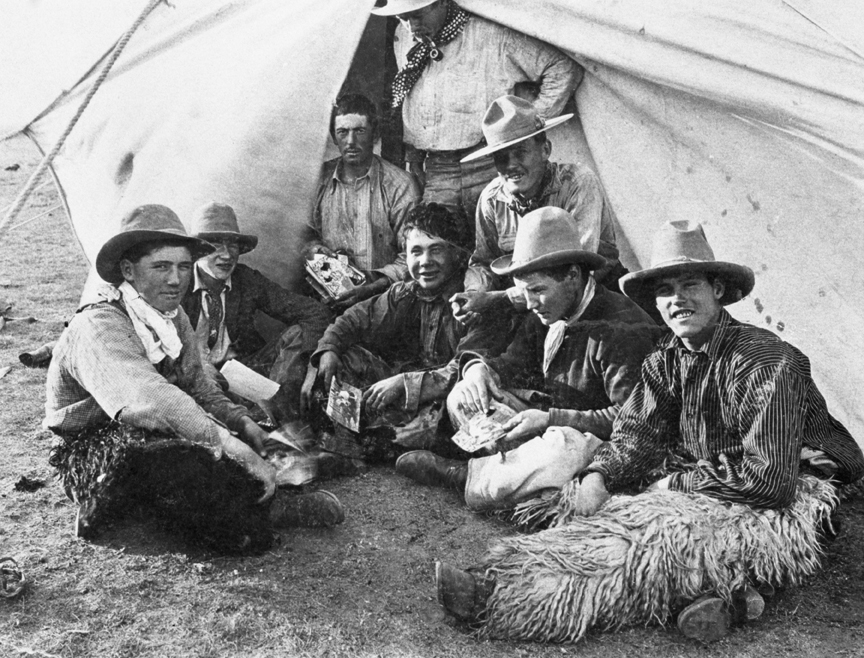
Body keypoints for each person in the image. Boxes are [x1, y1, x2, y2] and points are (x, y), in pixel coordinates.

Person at [434, 219, 864, 641]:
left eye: (689, 285)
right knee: (582, 499)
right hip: (710, 467)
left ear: (717, 289)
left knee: (656, 535)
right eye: (664, 290)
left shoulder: (765, 361)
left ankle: (508, 599)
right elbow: (636, 433)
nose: (676, 300)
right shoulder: (667, 357)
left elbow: (769, 480)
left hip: (795, 481)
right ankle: (727, 595)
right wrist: (599, 474)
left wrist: (672, 485)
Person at [45, 205, 344, 552]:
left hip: (151, 425)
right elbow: (152, 399)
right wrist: (239, 451)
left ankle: (275, 481)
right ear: (128, 270)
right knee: (184, 460)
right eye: (161, 267)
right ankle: (261, 507)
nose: (176, 279)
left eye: (183, 267)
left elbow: (199, 387)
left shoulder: (170, 317)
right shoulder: (100, 324)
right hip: (94, 445)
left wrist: (247, 428)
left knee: (253, 434)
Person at [396, 206, 658, 510]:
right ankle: (516, 477)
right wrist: (482, 371)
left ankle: (466, 475)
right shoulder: (549, 309)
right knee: (464, 396)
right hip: (549, 420)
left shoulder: (621, 328)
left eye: (537, 290)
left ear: (573, 276)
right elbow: (513, 362)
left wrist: (550, 419)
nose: (529, 303)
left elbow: (632, 421)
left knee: (564, 450)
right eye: (523, 291)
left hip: (602, 441)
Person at [303, 203, 499, 459]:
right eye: (416, 252)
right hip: (409, 389)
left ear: (457, 255)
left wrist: (403, 384)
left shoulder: (471, 299)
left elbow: (464, 368)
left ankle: (375, 443)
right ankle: (354, 440)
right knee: (343, 358)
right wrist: (328, 350)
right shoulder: (405, 293)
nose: (425, 262)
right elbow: (353, 319)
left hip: (443, 394)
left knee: (447, 415)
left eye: (436, 250)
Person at [371, 0, 581, 227]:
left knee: (502, 244)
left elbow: (562, 68)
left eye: (418, 15)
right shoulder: (403, 38)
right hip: (439, 171)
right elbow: (412, 98)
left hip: (491, 165)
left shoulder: (491, 36)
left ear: (441, 2)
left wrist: (531, 125)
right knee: (438, 246)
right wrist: (414, 158)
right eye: (403, 17)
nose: (412, 26)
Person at [450, 95, 623, 331]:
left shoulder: (577, 183)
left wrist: (499, 298)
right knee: (476, 352)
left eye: (520, 152)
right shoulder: (491, 199)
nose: (510, 165)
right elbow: (483, 261)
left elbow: (578, 270)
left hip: (592, 294)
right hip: (530, 304)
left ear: (545, 149)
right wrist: (473, 295)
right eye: (501, 157)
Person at [183, 202, 331, 422]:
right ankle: (263, 418)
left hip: (243, 373)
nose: (226, 255)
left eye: (232, 245)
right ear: (198, 250)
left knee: (298, 334)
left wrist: (313, 365)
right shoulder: (178, 284)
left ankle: (274, 413)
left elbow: (314, 312)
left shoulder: (246, 280)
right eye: (215, 245)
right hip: (191, 376)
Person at [308, 92, 421, 309]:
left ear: (375, 134)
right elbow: (304, 234)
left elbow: (412, 255)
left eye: (359, 131)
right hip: (330, 298)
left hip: (386, 300)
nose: (350, 142)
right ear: (334, 137)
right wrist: (314, 250)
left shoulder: (400, 185)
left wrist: (372, 287)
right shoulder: (320, 180)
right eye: (342, 132)